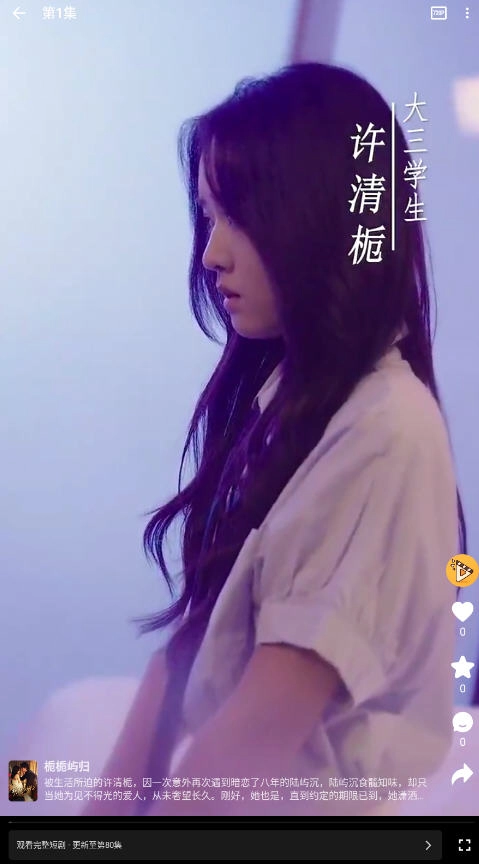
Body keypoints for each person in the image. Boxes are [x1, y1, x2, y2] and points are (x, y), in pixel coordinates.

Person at [83, 61, 466, 818]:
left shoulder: (384, 432)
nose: (210, 254)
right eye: (208, 217)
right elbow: (186, 649)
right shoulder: (297, 401)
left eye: (239, 217)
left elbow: (248, 748)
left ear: (325, 219)